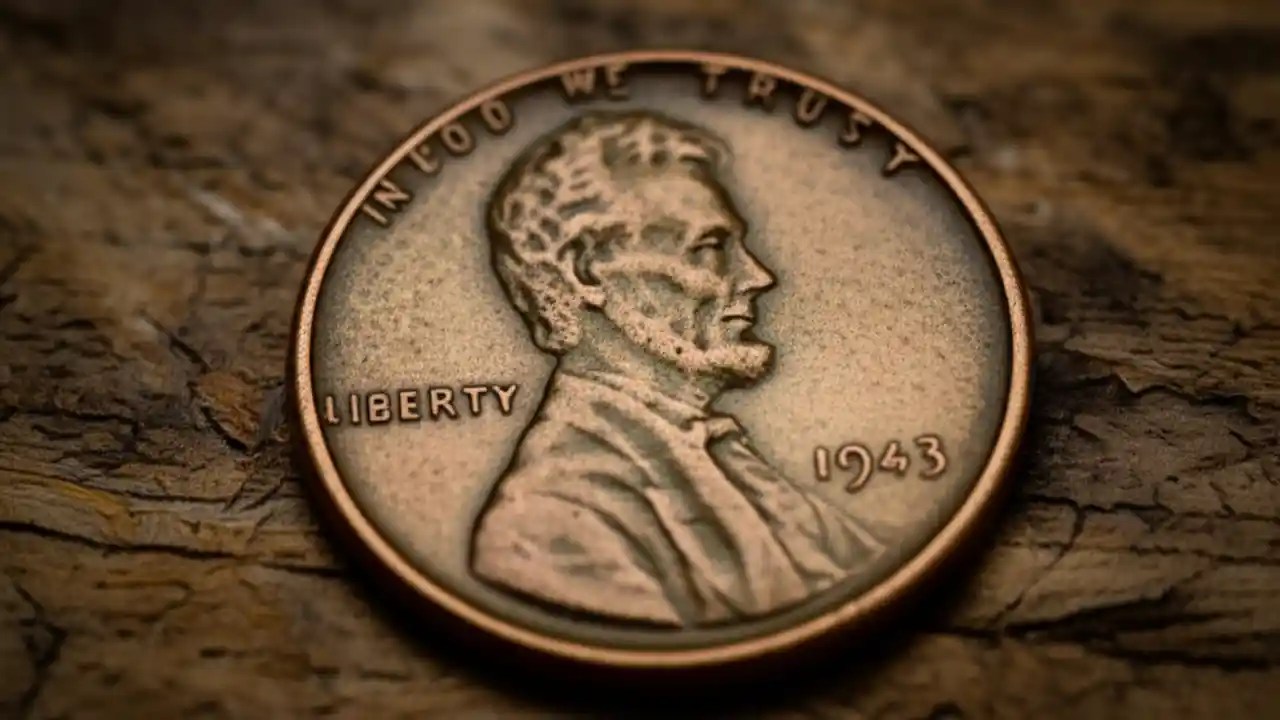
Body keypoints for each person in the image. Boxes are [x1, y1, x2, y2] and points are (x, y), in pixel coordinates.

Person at [469, 111, 882, 627]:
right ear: (584, 271)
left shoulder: (730, 459)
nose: (758, 276)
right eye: (709, 249)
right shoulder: (549, 522)